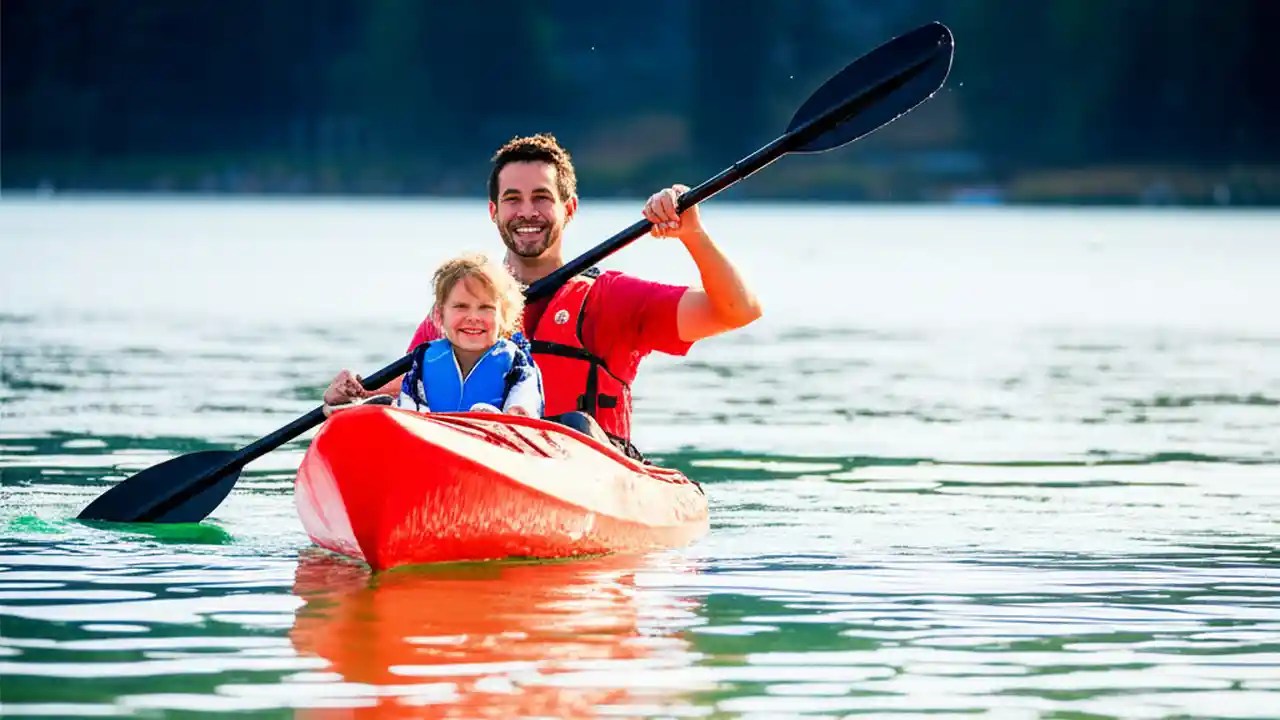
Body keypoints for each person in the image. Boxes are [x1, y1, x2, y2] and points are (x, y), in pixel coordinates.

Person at [324, 133, 761, 454]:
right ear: (494, 212)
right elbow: (403, 401)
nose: (527, 212)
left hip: (586, 473)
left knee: (576, 425)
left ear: (569, 209)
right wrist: (351, 400)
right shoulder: (459, 310)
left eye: (541, 198)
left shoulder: (613, 300)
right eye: (512, 199)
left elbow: (738, 310)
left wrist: (693, 235)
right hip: (478, 467)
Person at [326, 252, 542, 418]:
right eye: (461, 306)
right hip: (435, 442)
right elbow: (412, 402)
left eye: (486, 307)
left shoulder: (518, 362)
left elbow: (525, 401)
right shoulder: (424, 360)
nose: (473, 317)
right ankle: (357, 413)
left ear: (505, 316)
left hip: (497, 441)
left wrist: (514, 415)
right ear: (440, 316)